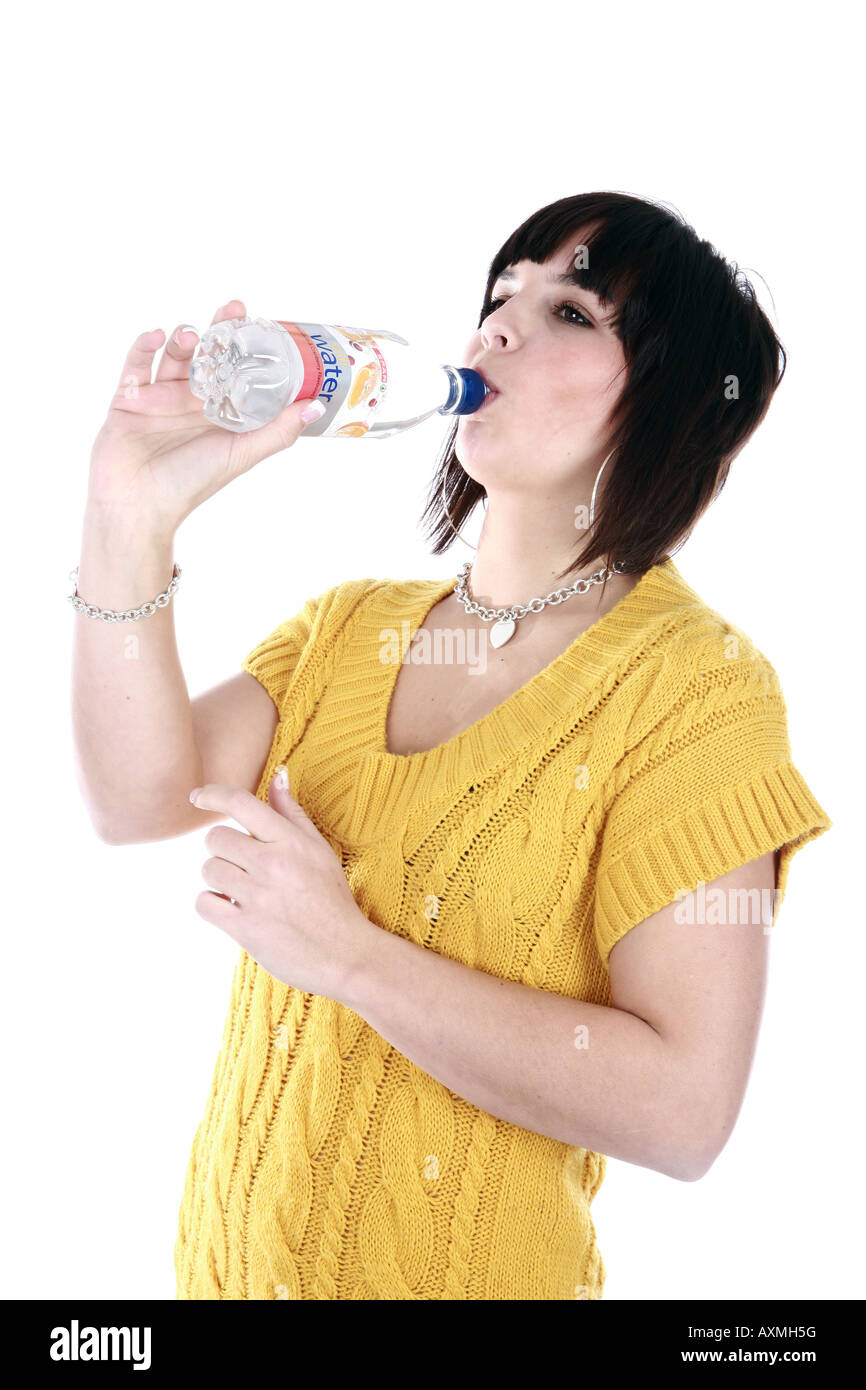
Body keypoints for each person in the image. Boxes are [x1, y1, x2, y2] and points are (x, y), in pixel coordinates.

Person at [71, 191, 831, 1301]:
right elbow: (135, 798)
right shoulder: (345, 630)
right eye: (498, 295)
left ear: (672, 400)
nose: (497, 329)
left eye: (570, 310)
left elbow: (683, 1112)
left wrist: (348, 955)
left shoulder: (693, 690)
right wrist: (126, 514)